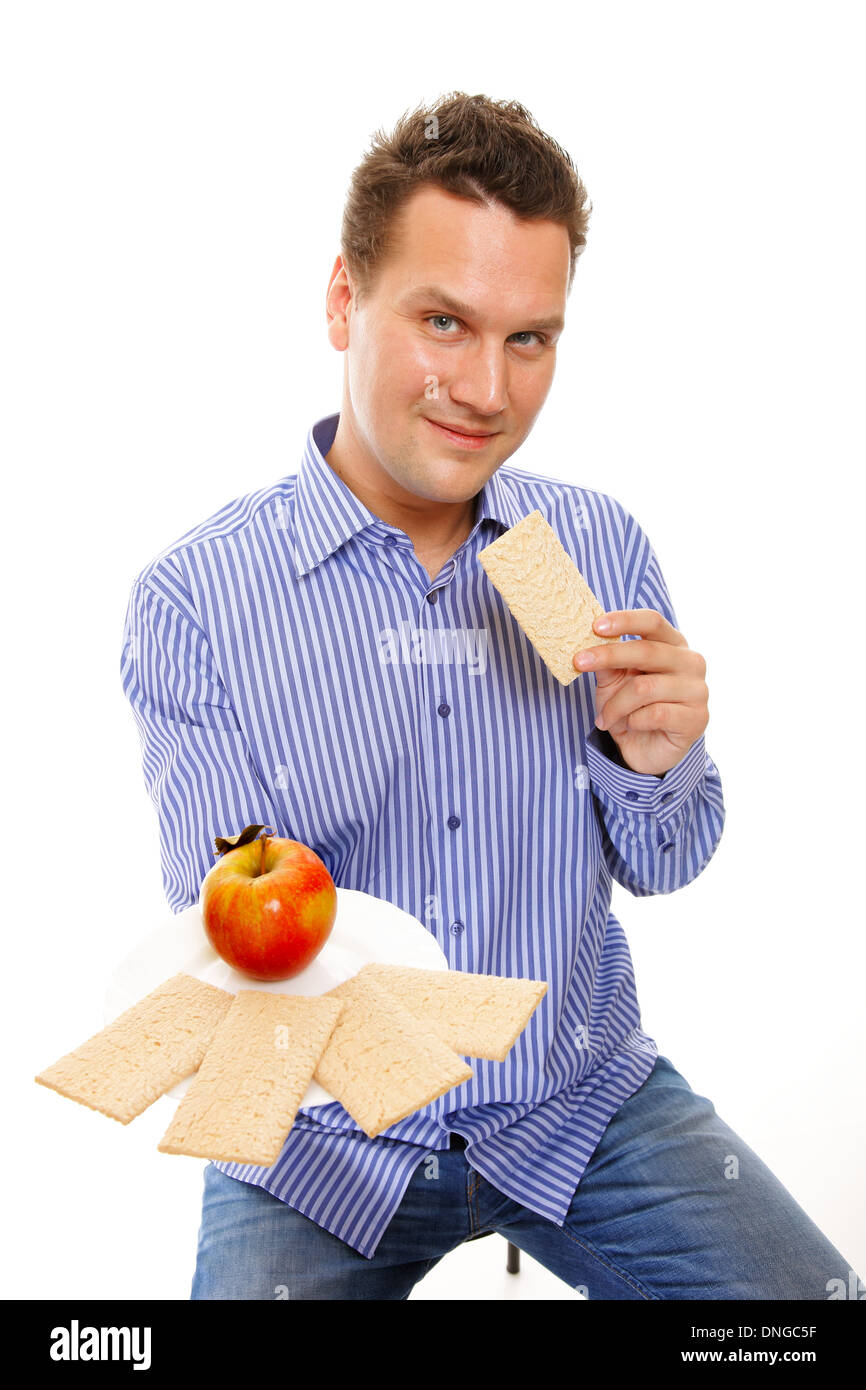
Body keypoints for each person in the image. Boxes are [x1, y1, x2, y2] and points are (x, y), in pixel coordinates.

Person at [121, 91, 858, 1300]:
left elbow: (666, 862)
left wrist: (656, 756)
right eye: (444, 321)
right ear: (342, 300)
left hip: (574, 1096)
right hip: (316, 1137)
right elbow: (235, 927)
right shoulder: (198, 600)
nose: (484, 388)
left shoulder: (592, 547)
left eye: (529, 338)